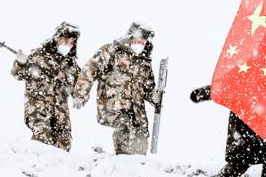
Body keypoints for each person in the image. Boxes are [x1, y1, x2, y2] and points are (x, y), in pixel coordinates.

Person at [72, 22, 161, 155]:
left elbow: (148, 88)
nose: (140, 44)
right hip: (114, 105)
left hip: (137, 112)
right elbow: (89, 70)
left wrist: (154, 97)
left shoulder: (144, 62)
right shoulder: (111, 51)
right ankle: (122, 162)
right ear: (130, 37)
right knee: (124, 131)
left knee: (140, 141)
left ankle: (135, 168)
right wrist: (80, 93)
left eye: (143, 42)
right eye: (138, 40)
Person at [189, 85, 266, 177]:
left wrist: (200, 94)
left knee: (264, 165)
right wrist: (201, 93)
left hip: (257, 137)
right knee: (244, 165)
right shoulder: (246, 83)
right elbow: (224, 87)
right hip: (250, 137)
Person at [12, 21, 81, 150]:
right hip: (38, 108)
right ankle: (34, 167)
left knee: (64, 145)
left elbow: (79, 85)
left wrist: (79, 96)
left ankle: (57, 170)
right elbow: (18, 74)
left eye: (71, 43)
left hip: (61, 113)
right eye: (65, 41)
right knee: (42, 140)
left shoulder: (72, 66)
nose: (67, 45)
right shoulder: (39, 56)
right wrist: (20, 63)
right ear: (57, 38)